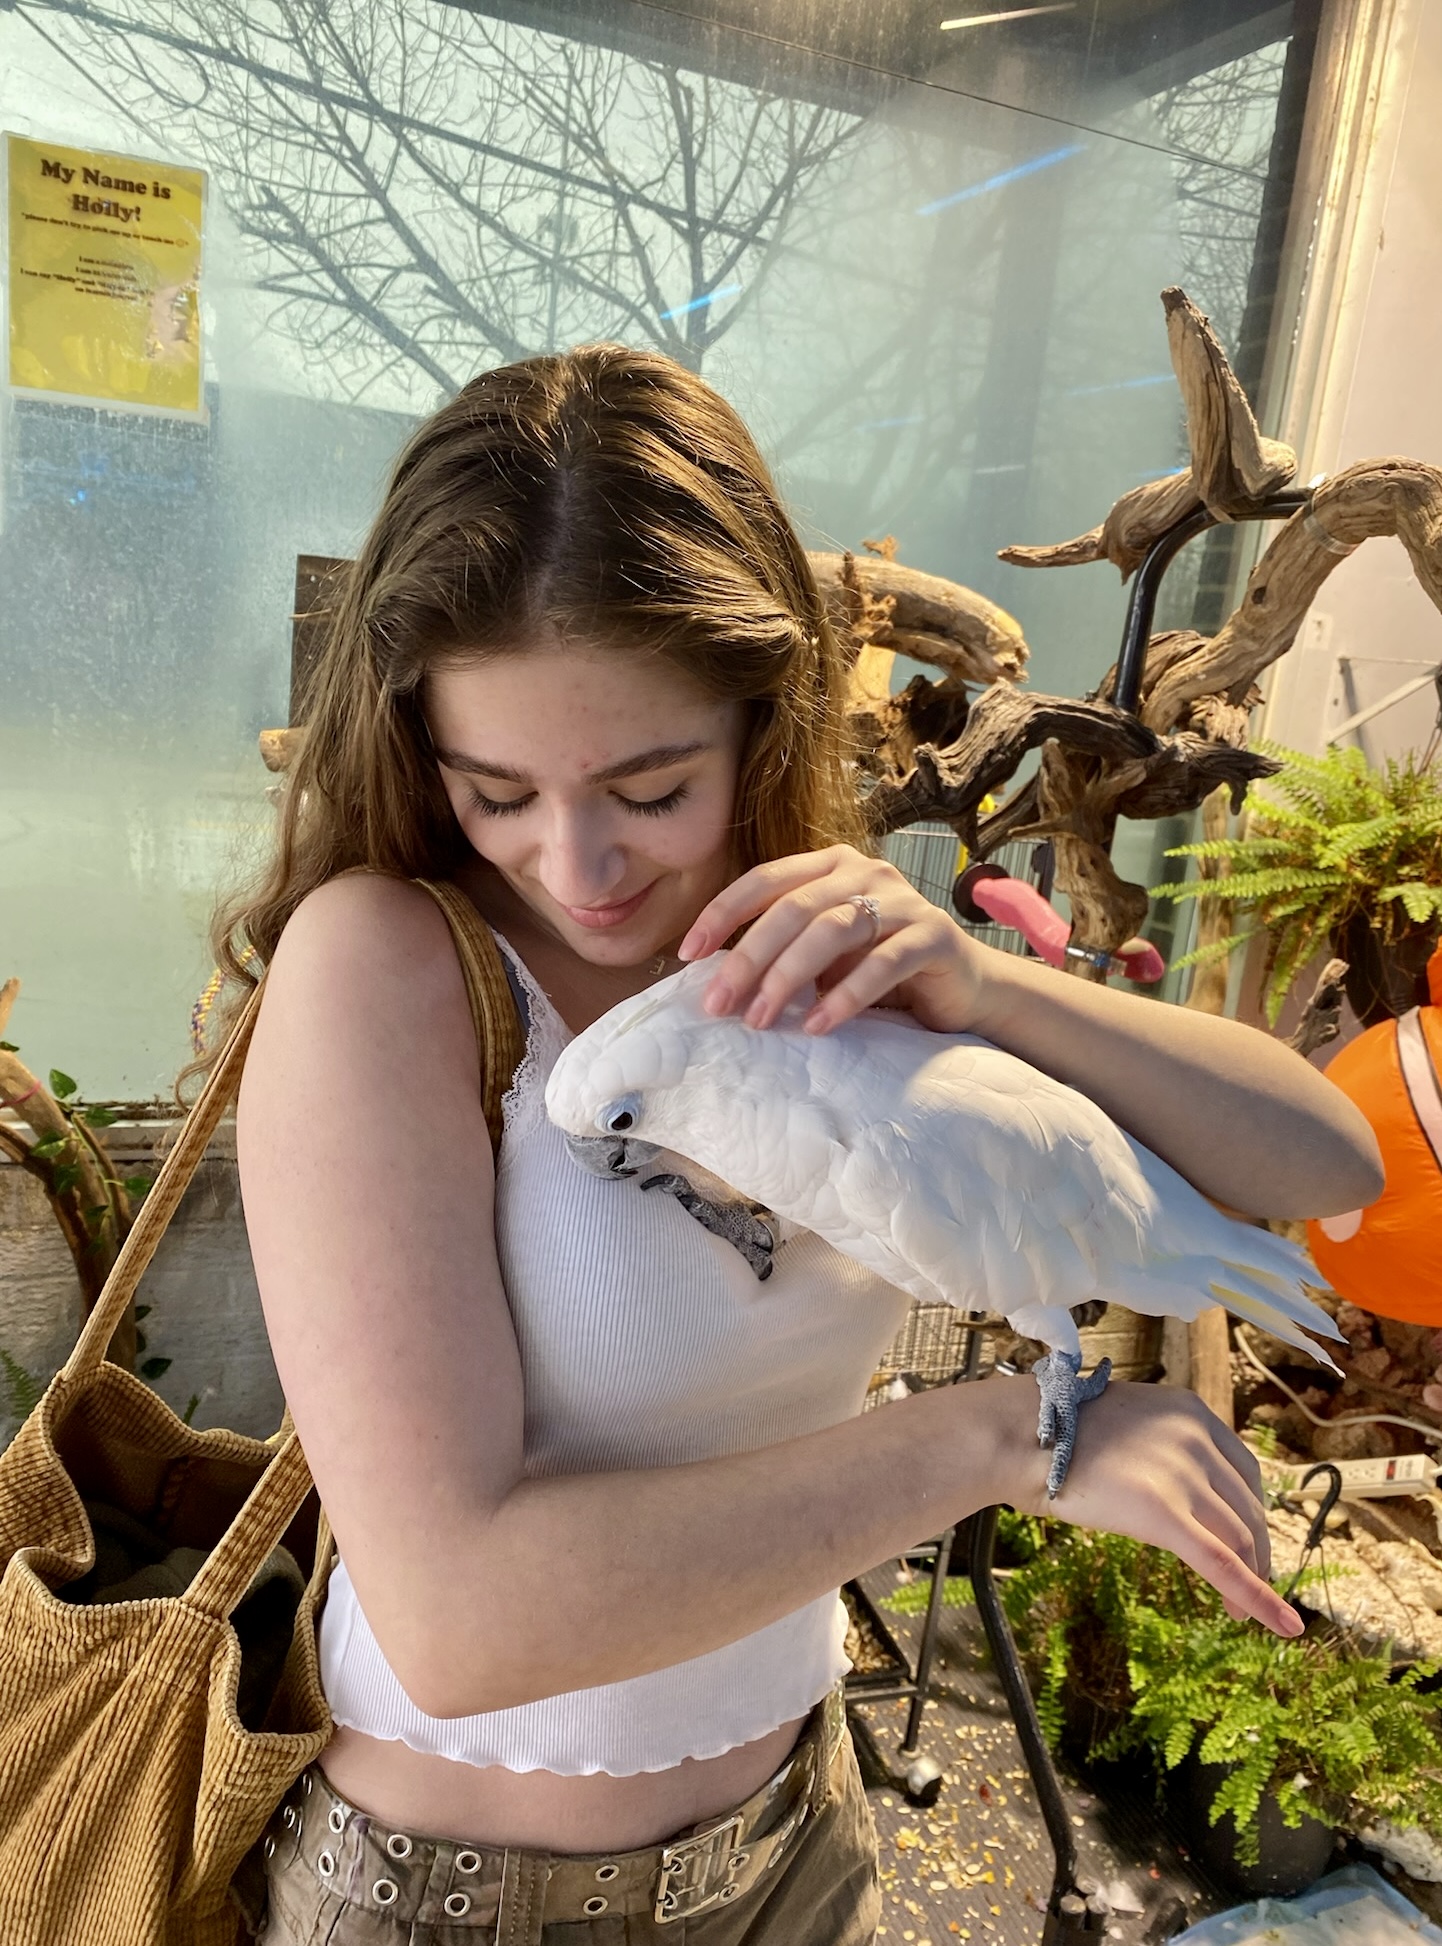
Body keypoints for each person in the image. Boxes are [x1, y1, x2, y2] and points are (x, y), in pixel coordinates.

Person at [218, 343, 1383, 1945]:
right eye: (494, 790)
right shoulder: (392, 967)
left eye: (650, 785)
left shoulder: (807, 950)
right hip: (462, 1901)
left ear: (759, 721)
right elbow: (458, 1621)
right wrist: (1012, 1436)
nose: (578, 863)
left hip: (797, 1839)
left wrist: (982, 986)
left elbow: (1327, 1163)